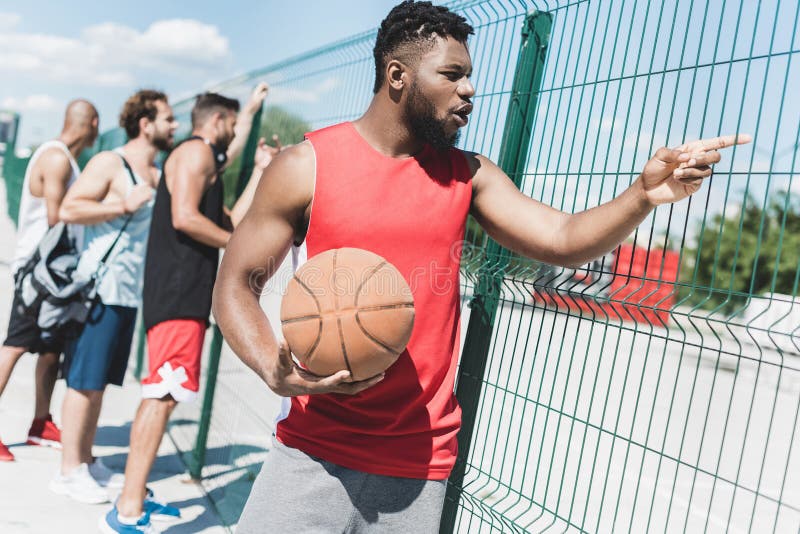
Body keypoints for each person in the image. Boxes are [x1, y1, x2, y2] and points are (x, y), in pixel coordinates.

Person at [212, 2, 751, 532]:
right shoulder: (306, 166)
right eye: (452, 74)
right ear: (397, 75)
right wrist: (270, 365)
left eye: (470, 76)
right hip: (314, 446)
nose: (469, 90)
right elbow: (237, 282)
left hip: (419, 460)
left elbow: (562, 239)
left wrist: (642, 196)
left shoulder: (468, 175)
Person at [102, 86, 271, 532]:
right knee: (161, 398)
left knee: (159, 396)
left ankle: (130, 498)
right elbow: (185, 217)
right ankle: (129, 509)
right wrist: (237, 247)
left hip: (180, 296)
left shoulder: (199, 160)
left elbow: (230, 220)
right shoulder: (195, 155)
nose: (234, 134)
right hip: (178, 296)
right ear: (216, 122)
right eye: (232, 124)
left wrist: (259, 166)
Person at [52, 89, 178, 504]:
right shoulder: (111, 163)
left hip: (128, 293)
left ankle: (86, 460)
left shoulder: (158, 171)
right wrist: (121, 206)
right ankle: (68, 470)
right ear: (145, 124)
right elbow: (70, 208)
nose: (174, 126)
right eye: (167, 119)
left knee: (100, 382)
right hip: (100, 287)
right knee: (83, 381)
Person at [0, 100, 98, 462]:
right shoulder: (56, 158)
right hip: (37, 272)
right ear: (92, 123)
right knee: (15, 345)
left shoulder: (66, 159)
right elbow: (59, 216)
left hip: (55, 273)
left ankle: (41, 423)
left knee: (50, 350)